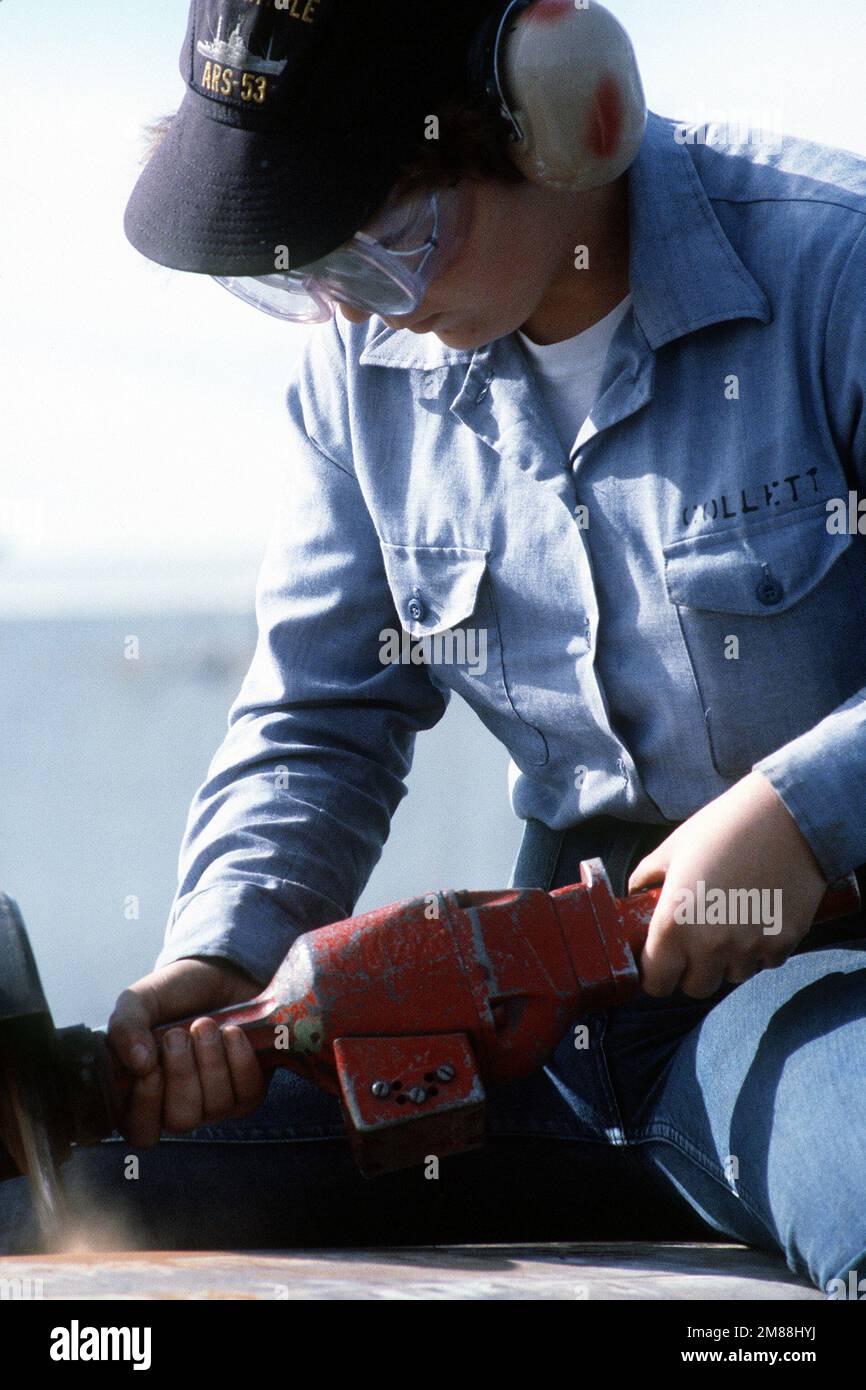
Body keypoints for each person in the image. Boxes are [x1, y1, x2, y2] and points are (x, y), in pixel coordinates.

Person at [2, 0, 865, 1294]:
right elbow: (319, 714)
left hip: (822, 980)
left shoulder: (830, 271)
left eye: (393, 242)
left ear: (568, 114)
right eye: (311, 274)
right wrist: (220, 957)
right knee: (54, 1179)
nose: (367, 313)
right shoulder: (355, 361)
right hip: (542, 1017)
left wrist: (806, 812)